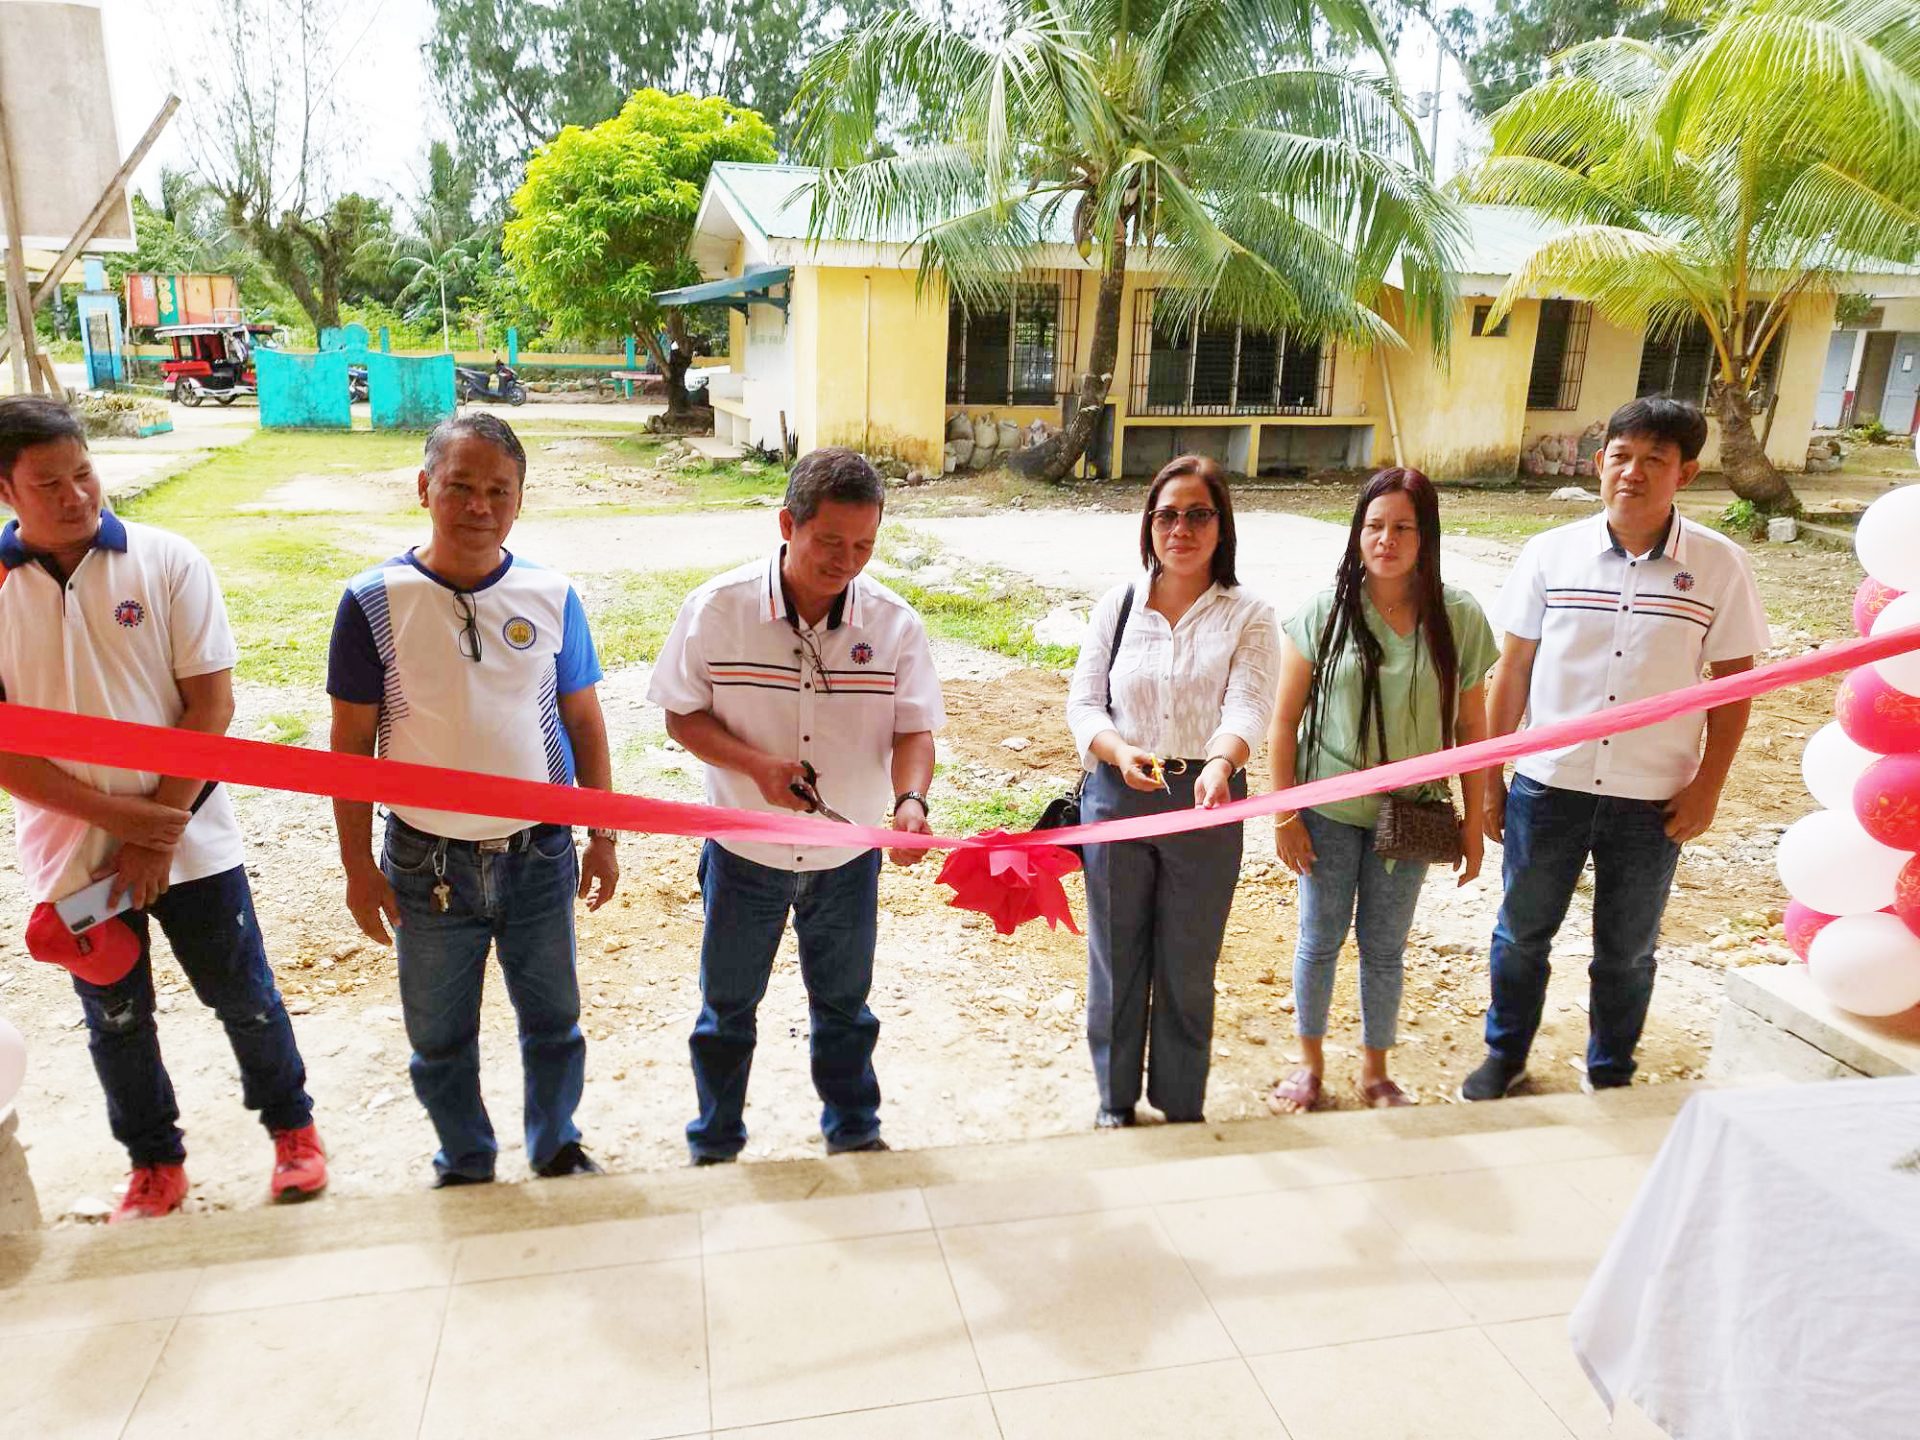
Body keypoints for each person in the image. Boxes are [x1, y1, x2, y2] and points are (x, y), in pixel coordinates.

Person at [0, 395, 324, 1221]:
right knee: (114, 1016)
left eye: (83, 472)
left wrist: (158, 830)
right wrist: (125, 829)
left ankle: (293, 1131)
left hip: (194, 843)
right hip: (71, 861)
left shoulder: (169, 561)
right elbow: (7, 751)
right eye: (49, 483)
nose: (76, 495)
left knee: (243, 995)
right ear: (7, 491)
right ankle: (154, 1164)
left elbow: (209, 709)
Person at [327, 414, 620, 1186]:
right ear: (425, 488)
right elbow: (351, 741)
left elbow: (583, 719)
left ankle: (555, 1144)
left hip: (540, 853)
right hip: (428, 864)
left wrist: (604, 836)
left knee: (554, 1022)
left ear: (520, 502)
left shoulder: (551, 594)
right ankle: (465, 1158)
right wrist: (358, 863)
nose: (478, 505)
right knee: (439, 1034)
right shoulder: (373, 601)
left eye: (499, 490)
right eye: (459, 485)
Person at [1462, 396, 1768, 1100]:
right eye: (1622, 457)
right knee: (1520, 935)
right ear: (1600, 464)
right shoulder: (1550, 553)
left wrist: (1708, 786)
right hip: (1549, 786)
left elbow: (1732, 686)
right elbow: (1512, 669)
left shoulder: (1719, 567)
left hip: (1652, 798)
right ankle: (1504, 1057)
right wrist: (1491, 776)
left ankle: (1611, 1073)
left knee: (1626, 952)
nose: (1633, 473)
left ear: (1684, 474)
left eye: (1654, 460)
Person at [648, 447, 944, 1164]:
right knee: (726, 1012)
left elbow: (914, 728)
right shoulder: (717, 610)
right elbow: (680, 716)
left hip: (847, 860)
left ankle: (853, 1129)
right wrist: (754, 766)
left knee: (845, 1009)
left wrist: (910, 800)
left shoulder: (895, 624)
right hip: (744, 853)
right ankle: (715, 1142)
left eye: (865, 546)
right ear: (788, 524)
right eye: (831, 543)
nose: (848, 561)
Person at [1266, 468, 1497, 1112]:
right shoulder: (1324, 611)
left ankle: (1375, 1072)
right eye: (1373, 526)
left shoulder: (1459, 615)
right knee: (1318, 940)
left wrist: (1473, 822)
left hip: (1412, 817)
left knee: (1385, 948)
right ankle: (1308, 1067)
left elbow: (1474, 727)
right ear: (1356, 533)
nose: (1385, 540)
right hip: (1329, 811)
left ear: (1426, 536)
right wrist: (1286, 814)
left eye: (1401, 527)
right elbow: (1283, 722)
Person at [1067, 455, 1276, 1128]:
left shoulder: (1248, 614)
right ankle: (1114, 1099)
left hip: (1206, 801)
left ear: (1223, 526)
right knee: (1114, 955)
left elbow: (1248, 706)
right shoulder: (1118, 604)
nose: (1180, 528)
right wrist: (1119, 751)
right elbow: (1084, 705)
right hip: (1117, 796)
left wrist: (1220, 764)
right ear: (1148, 524)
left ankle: (1182, 1101)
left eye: (1197, 514)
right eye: (1166, 514)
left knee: (1188, 961)